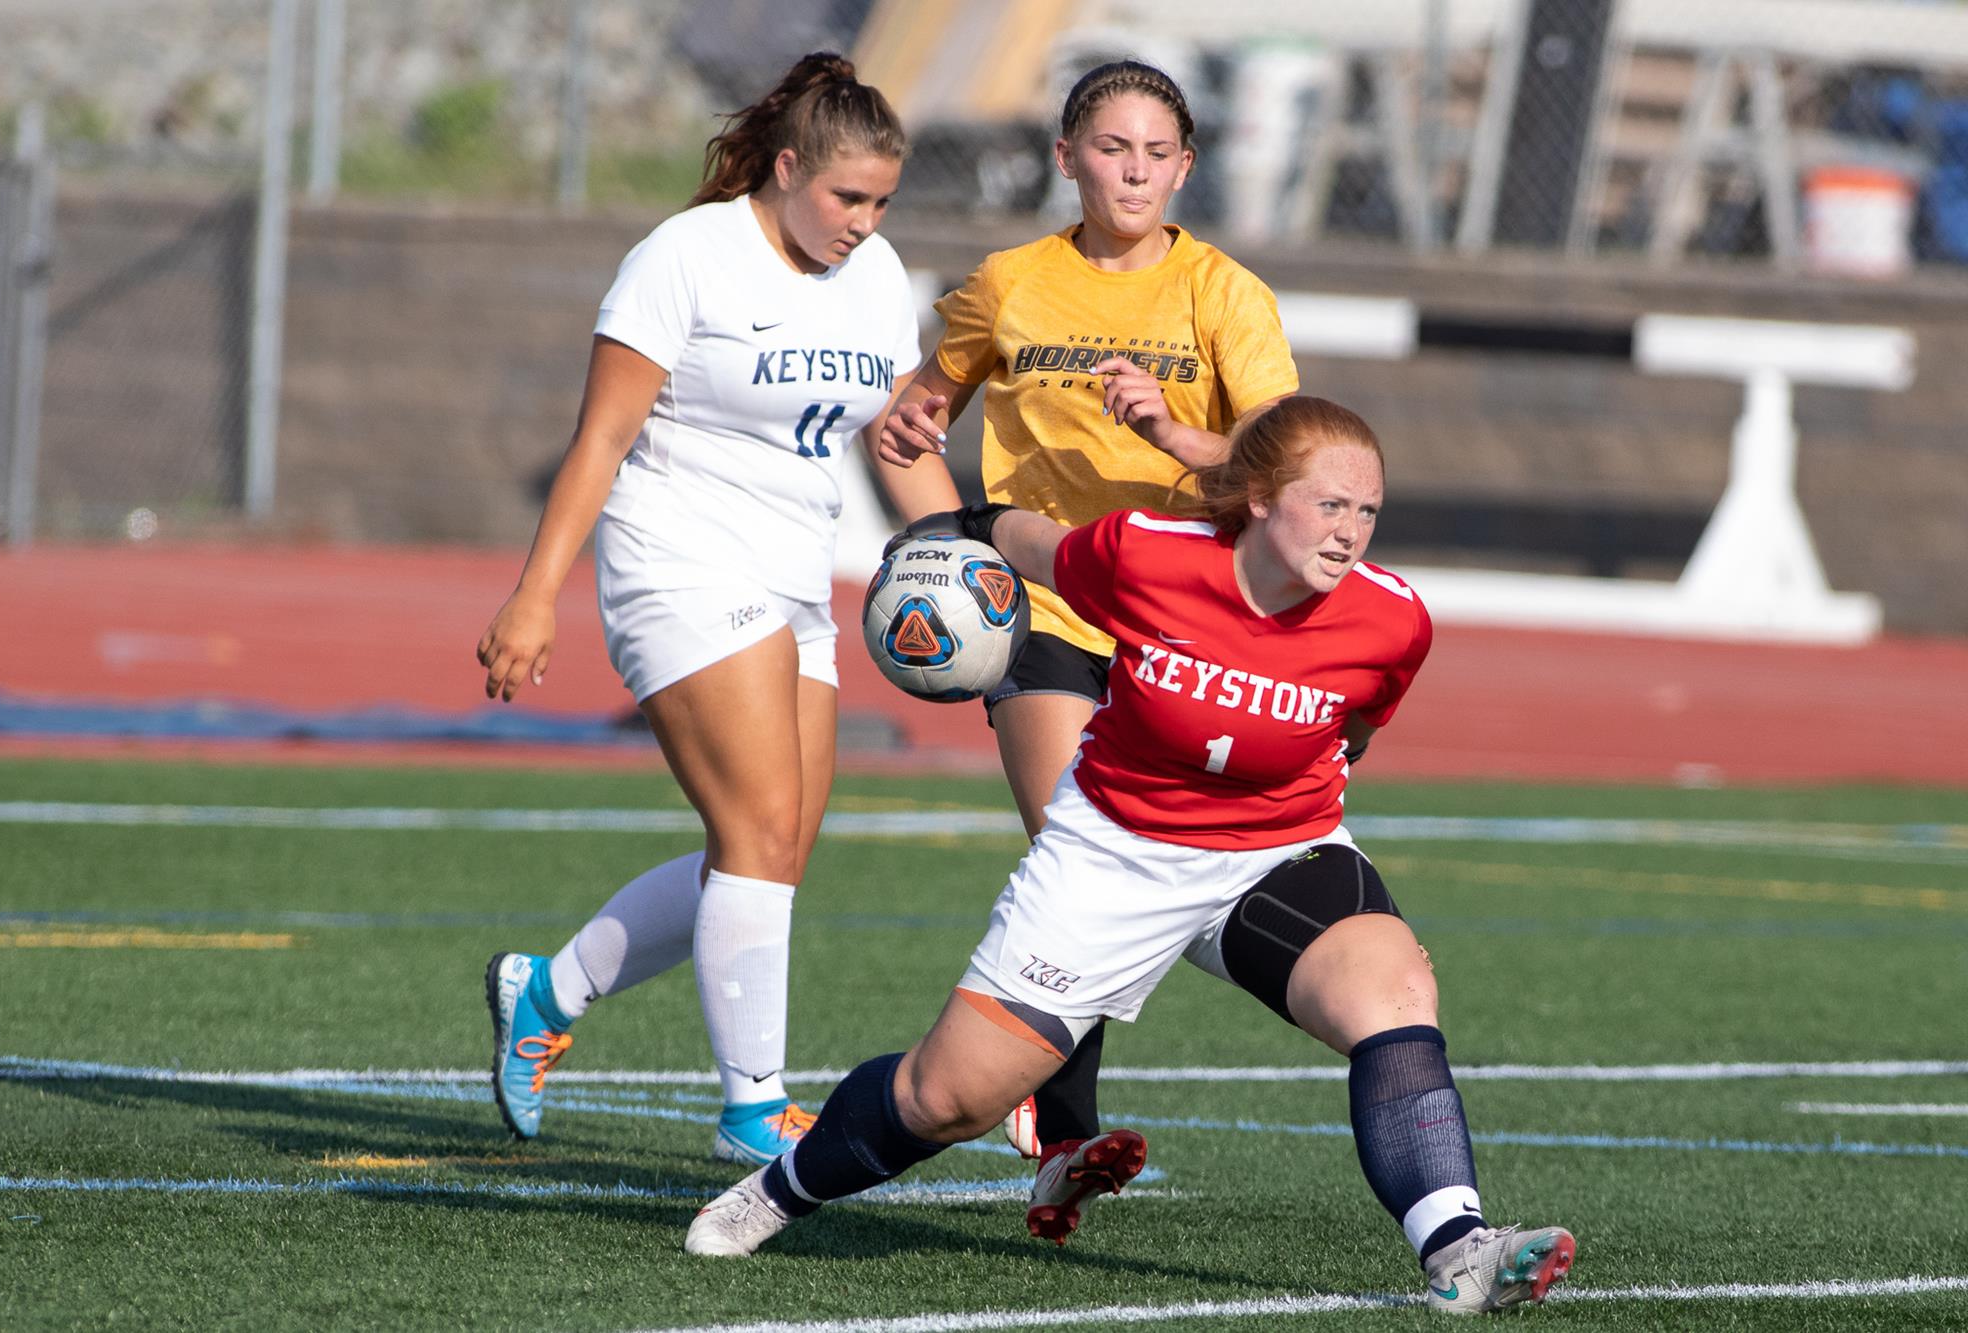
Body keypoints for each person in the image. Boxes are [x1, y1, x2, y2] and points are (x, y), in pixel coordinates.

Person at [684, 396, 1577, 1316]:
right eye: (1330, 506)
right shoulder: (1144, 555)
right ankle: (776, 1191)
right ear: (1261, 499)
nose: (1351, 534)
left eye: (1368, 512)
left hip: (1277, 850)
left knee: (1395, 1000)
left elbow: (1353, 731)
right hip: (1114, 856)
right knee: (946, 1100)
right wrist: (965, 524)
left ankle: (1459, 1247)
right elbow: (1036, 545)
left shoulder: (1392, 621)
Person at [474, 52, 959, 1166]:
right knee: (751, 831)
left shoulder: (876, 273)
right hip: (677, 561)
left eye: (881, 200)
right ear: (786, 168)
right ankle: (754, 1104)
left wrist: (958, 564)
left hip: (794, 574)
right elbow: (598, 438)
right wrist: (534, 595)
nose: (862, 220)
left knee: (773, 847)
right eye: (846, 196)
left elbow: (898, 445)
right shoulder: (684, 255)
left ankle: (547, 992)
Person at [874, 58, 1302, 1181]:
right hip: (1050, 604)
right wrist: (941, 555)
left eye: (1157, 154)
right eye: (1111, 148)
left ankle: (1026, 1088)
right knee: (1077, 837)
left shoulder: (1224, 295)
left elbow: (1280, 470)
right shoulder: (1008, 284)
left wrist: (1175, 433)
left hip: (1185, 618)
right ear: (1065, 157)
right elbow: (907, 423)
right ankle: (1062, 1127)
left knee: (1164, 860)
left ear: (1186, 168)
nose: (1134, 171)